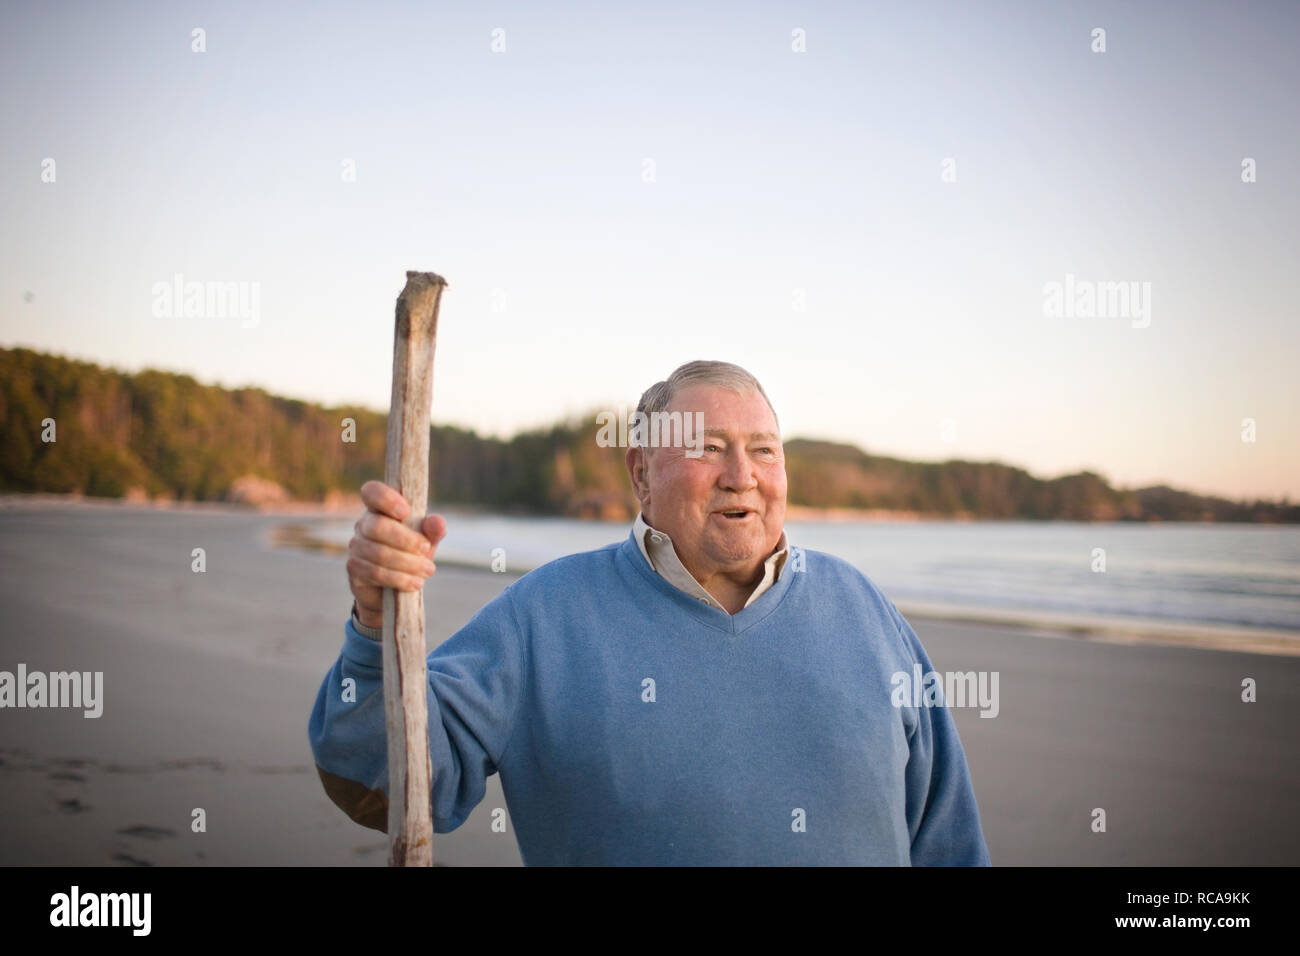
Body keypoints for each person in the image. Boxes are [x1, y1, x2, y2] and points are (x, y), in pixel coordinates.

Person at [308, 360, 991, 865]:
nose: (742, 474)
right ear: (641, 474)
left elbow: (949, 837)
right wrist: (376, 626)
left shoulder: (867, 613)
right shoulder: (541, 619)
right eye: (708, 447)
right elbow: (379, 786)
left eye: (763, 450)